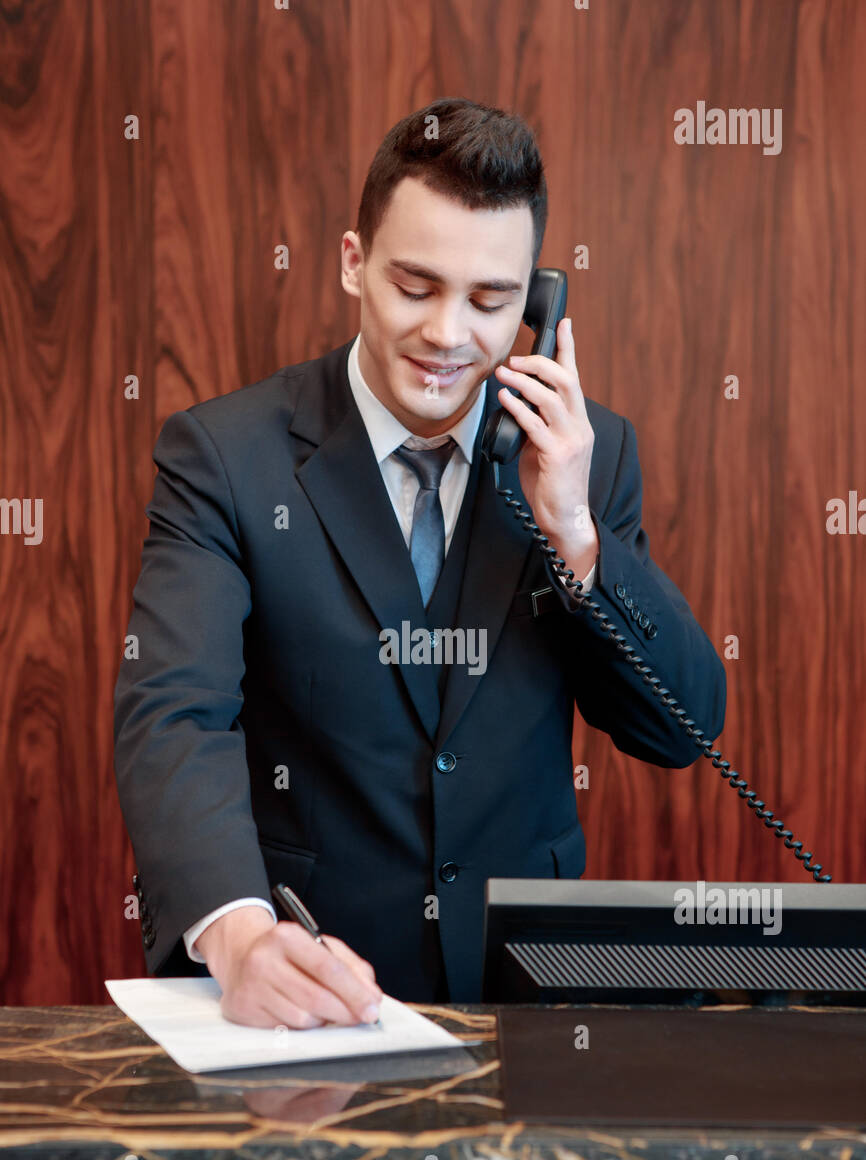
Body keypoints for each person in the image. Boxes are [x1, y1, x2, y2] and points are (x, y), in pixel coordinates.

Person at [114, 97, 726, 1027]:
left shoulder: (585, 456)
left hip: (527, 1001)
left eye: (489, 301)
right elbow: (175, 715)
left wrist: (575, 533)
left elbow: (681, 730)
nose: (448, 334)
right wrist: (240, 939)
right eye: (415, 286)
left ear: (535, 304)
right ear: (353, 262)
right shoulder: (225, 457)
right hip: (309, 990)